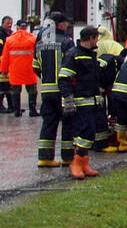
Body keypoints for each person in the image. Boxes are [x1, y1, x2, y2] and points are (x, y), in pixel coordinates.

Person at [58, 26, 103, 179]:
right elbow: (64, 78)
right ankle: (76, 164)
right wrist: (68, 100)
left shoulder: (90, 55)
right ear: (91, 38)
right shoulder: (74, 55)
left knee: (89, 133)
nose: (97, 41)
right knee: (84, 133)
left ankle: (84, 163)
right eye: (96, 38)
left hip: (90, 101)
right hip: (79, 102)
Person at [33, 12, 75, 167]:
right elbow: (72, 67)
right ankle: (68, 157)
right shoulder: (66, 42)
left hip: (46, 91)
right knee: (68, 123)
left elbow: (35, 66)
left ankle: (45, 158)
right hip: (63, 91)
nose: (67, 26)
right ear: (59, 24)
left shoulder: (40, 42)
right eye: (65, 23)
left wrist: (46, 79)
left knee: (49, 123)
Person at [95, 25, 125, 152]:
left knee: (100, 110)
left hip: (102, 80)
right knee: (115, 110)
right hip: (116, 80)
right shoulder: (116, 45)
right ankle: (115, 134)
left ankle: (103, 138)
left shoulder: (98, 45)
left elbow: (96, 65)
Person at [0, 15, 11, 115]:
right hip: (1, 63)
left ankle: (12, 106)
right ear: (2, 23)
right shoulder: (0, 34)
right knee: (1, 86)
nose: (9, 25)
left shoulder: (11, 34)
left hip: (10, 64)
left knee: (9, 86)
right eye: (7, 23)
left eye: (11, 23)